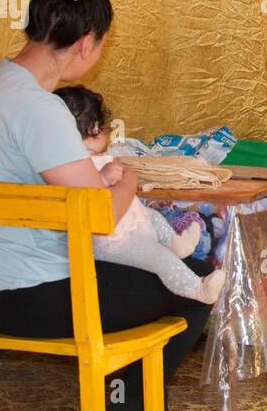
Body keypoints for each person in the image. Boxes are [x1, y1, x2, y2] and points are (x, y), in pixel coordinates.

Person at [0, 0, 211, 411]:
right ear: (87, 43)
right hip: (31, 295)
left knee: (166, 278)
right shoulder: (39, 108)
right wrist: (128, 181)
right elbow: (99, 218)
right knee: (195, 287)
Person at [54, 84, 225, 304]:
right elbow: (86, 197)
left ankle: (174, 242)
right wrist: (104, 178)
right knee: (159, 257)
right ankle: (197, 289)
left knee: (154, 216)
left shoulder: (77, 159)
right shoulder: (71, 165)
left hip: (128, 223)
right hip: (112, 241)